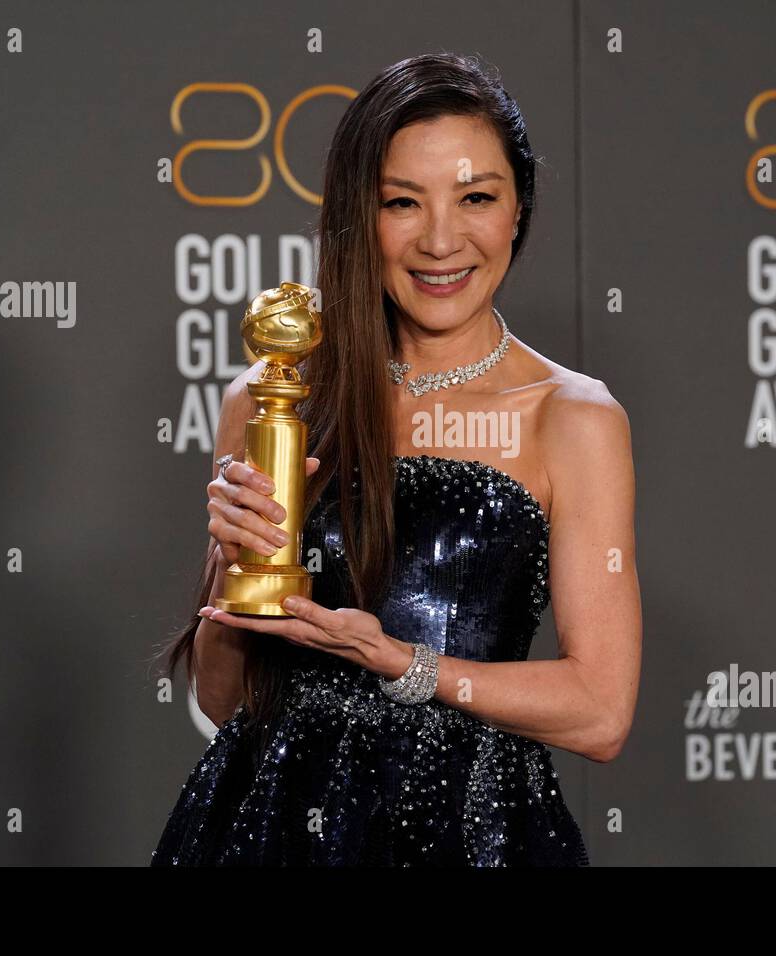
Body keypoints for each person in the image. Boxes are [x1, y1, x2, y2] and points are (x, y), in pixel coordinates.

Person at [151, 51, 641, 866]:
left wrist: (402, 664)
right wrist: (237, 566)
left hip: (473, 835)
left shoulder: (572, 418)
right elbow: (221, 695)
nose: (442, 240)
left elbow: (600, 711)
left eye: (477, 197)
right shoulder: (275, 400)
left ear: (518, 208)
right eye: (401, 203)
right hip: (268, 826)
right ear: (358, 218)